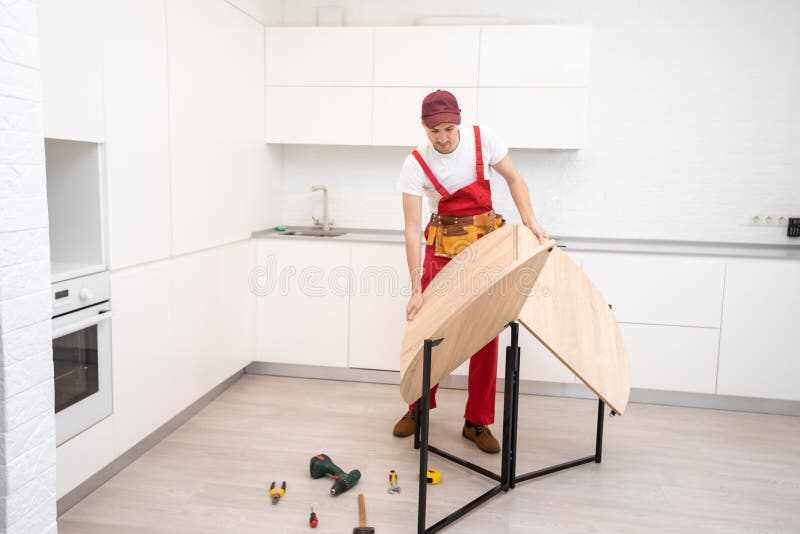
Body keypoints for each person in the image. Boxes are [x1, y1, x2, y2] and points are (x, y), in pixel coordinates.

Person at [393, 89, 547, 453]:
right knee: (428, 327)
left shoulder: (484, 140)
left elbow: (515, 179)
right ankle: (418, 407)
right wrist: (415, 288)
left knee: (486, 331)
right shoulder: (415, 163)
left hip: (485, 249)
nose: (443, 138)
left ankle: (477, 422)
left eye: (448, 129)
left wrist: (530, 220)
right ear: (424, 128)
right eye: (435, 131)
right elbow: (412, 229)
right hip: (441, 250)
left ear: (458, 121)